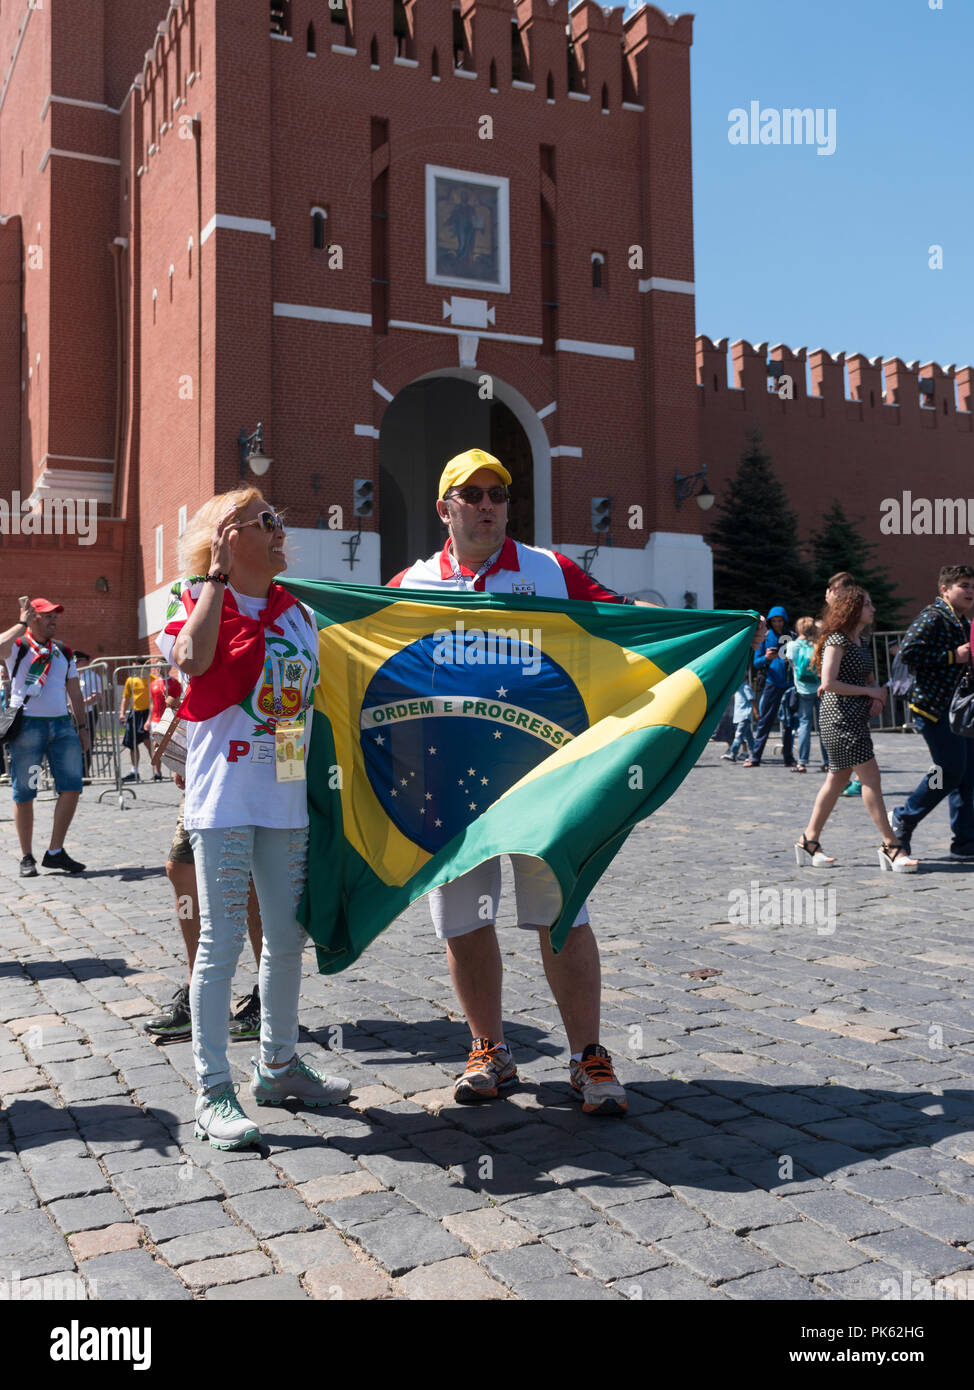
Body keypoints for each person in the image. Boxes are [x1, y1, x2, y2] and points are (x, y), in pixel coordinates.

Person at [387, 447, 660, 1117]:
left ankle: (587, 1056)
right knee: (465, 919)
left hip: (549, 780)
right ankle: (489, 1049)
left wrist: (701, 634)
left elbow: (626, 628)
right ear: (444, 508)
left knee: (562, 913)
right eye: (472, 493)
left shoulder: (551, 570)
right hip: (453, 788)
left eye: (498, 493)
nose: (487, 504)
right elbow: (375, 678)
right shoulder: (410, 586)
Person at [157, 487, 349, 1150]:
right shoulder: (192, 601)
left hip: (283, 796)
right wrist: (214, 576)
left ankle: (278, 1064)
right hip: (224, 799)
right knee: (222, 942)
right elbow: (190, 662)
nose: (278, 530)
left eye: (278, 520)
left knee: (287, 937)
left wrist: (301, 783)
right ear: (224, 537)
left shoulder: (299, 615)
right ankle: (214, 1091)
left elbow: (304, 704)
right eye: (263, 521)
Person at [796, 585, 916, 872]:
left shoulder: (860, 640)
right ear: (852, 609)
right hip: (839, 718)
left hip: (854, 716)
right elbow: (829, 683)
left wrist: (875, 694)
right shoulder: (836, 639)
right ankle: (891, 845)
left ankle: (808, 840)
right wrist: (870, 693)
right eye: (867, 604)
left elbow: (868, 680)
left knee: (837, 780)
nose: (873, 609)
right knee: (871, 779)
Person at [143, 768, 265, 1044]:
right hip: (203, 770)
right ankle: (200, 994)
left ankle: (269, 998)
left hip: (250, 765)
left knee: (252, 881)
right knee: (181, 868)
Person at [0, 597, 88, 875]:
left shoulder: (63, 651)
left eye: (56, 616)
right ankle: (27, 856)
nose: (54, 620)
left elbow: (74, 692)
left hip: (62, 728)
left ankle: (55, 851)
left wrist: (83, 727)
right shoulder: (18, 646)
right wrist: (20, 622)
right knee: (26, 791)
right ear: (33, 617)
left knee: (71, 786)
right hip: (28, 728)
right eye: (48, 616)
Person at [892, 565, 974, 859]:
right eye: (963, 585)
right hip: (933, 709)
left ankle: (965, 842)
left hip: (960, 710)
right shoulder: (933, 617)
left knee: (967, 775)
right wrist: (955, 655)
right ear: (945, 589)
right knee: (948, 771)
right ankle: (905, 816)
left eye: (972, 586)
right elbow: (909, 652)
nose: (970, 591)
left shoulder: (961, 621)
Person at [744, 606, 797, 767]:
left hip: (789, 684)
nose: (777, 624)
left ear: (784, 620)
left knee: (788, 722)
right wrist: (767, 658)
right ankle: (755, 757)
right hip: (772, 683)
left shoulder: (792, 636)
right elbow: (756, 662)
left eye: (779, 620)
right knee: (765, 721)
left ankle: (789, 757)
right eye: (774, 621)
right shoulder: (766, 637)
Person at [789, 617, 828, 774]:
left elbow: (792, 664)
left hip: (803, 688)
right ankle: (828, 761)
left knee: (804, 724)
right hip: (819, 687)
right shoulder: (818, 644)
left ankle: (802, 762)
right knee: (823, 725)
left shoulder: (793, 645)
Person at [148, 663, 181, 781]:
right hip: (156, 719)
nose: (159, 669)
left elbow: (177, 701)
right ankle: (157, 772)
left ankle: (177, 771)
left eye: (162, 666)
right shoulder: (153, 684)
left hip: (169, 718)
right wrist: (148, 719)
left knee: (171, 745)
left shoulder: (175, 683)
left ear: (169, 667)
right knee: (155, 744)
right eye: (157, 667)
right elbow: (152, 703)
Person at [119, 665, 151, 782]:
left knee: (149, 743)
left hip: (148, 713)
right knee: (132, 744)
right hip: (135, 713)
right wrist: (122, 713)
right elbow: (126, 698)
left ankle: (157, 772)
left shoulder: (152, 678)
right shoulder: (130, 680)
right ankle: (134, 772)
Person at [74, 652, 103, 779]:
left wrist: (80, 703)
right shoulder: (72, 676)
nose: (75, 665)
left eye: (77, 662)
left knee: (86, 742)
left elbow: (97, 696)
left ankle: (84, 774)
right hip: (71, 713)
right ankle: (74, 772)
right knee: (72, 742)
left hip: (88, 712)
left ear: (84, 662)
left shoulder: (92, 676)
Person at [721, 675, 755, 762]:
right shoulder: (738, 688)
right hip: (740, 716)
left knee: (738, 736)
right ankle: (754, 754)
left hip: (744, 715)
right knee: (749, 737)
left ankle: (733, 754)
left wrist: (756, 712)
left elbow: (752, 700)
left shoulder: (746, 687)